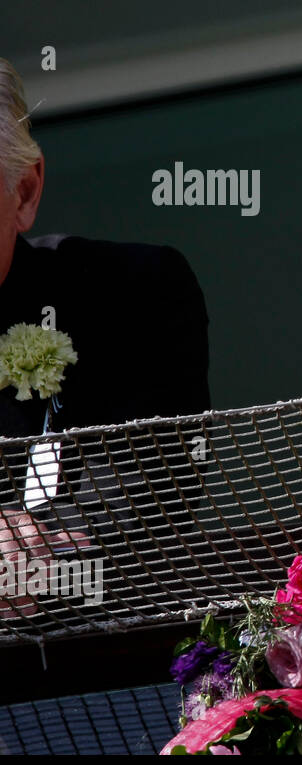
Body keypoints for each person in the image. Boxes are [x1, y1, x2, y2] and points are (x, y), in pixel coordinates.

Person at [0, 57, 211, 616]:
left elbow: (147, 528)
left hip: (100, 674)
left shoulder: (130, 295)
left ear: (23, 191)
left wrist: (33, 569)